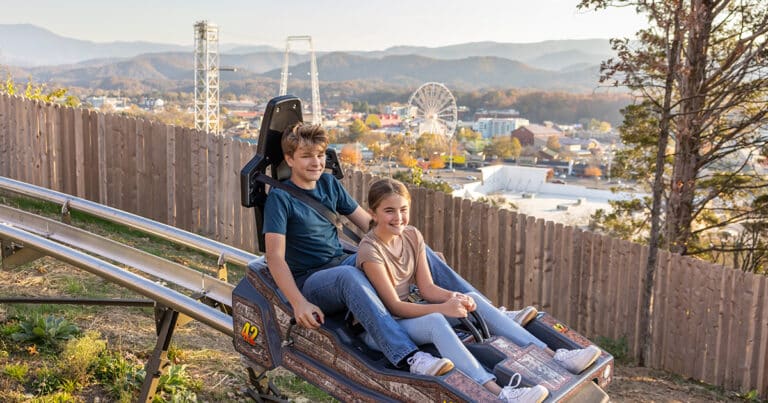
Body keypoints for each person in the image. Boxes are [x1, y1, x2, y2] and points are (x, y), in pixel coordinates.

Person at [356, 178, 603, 402]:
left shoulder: (412, 236)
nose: (398, 217)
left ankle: (555, 356)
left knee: (471, 297)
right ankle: (501, 394)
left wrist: (455, 297)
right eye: (389, 211)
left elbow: (428, 288)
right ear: (373, 213)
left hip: (415, 311)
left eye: (403, 210)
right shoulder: (370, 250)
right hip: (386, 328)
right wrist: (444, 308)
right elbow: (393, 307)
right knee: (435, 321)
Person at [262, 122, 452, 376]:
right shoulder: (280, 198)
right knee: (348, 276)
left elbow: (370, 225)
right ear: (290, 159)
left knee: (412, 240)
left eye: (319, 155)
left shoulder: (329, 184)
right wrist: (299, 303)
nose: (316, 162)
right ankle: (409, 357)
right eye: (306, 156)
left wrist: (414, 250)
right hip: (311, 281)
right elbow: (274, 257)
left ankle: (483, 309)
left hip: (341, 262)